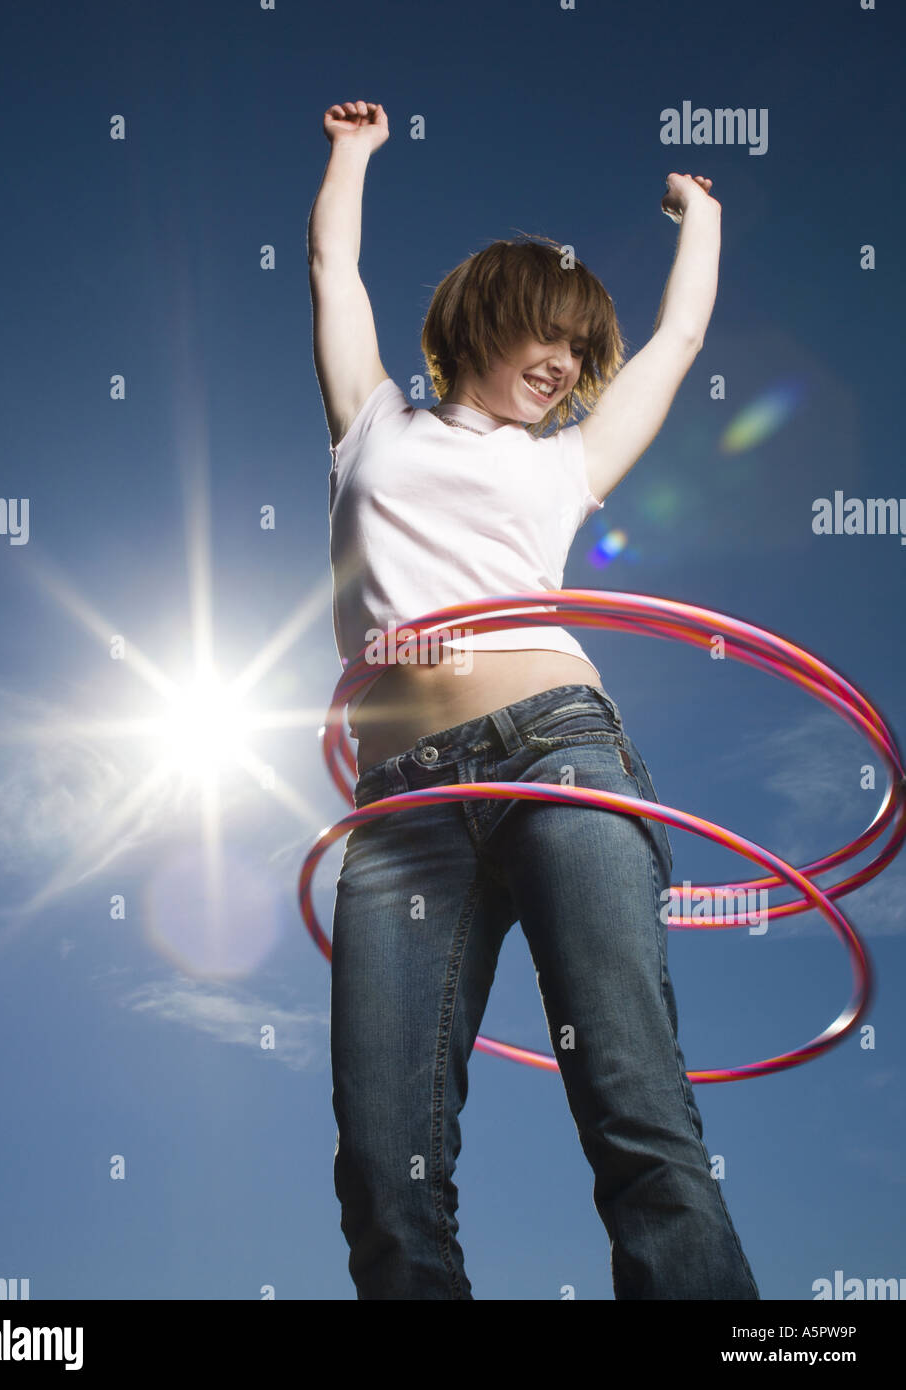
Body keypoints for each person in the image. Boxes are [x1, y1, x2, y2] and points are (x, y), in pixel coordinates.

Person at [307, 98, 760, 1301]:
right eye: (543, 334)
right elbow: (332, 268)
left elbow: (673, 346)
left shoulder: (565, 464)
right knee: (382, 1166)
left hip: (557, 754)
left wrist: (697, 216)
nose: (562, 363)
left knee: (635, 1110)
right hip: (397, 807)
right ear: (478, 326)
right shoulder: (370, 426)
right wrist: (353, 153)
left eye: (578, 349)